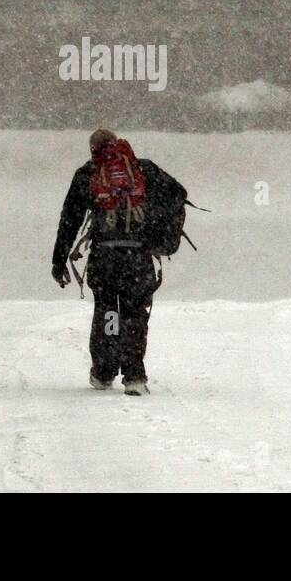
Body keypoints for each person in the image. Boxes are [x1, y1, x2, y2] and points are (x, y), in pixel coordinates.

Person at [51, 128, 183, 396]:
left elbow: (70, 220)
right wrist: (158, 234)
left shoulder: (88, 174)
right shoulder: (143, 170)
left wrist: (59, 260)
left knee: (108, 312)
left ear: (93, 150)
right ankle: (134, 376)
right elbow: (178, 194)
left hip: (105, 258)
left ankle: (104, 371)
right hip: (138, 256)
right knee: (134, 314)